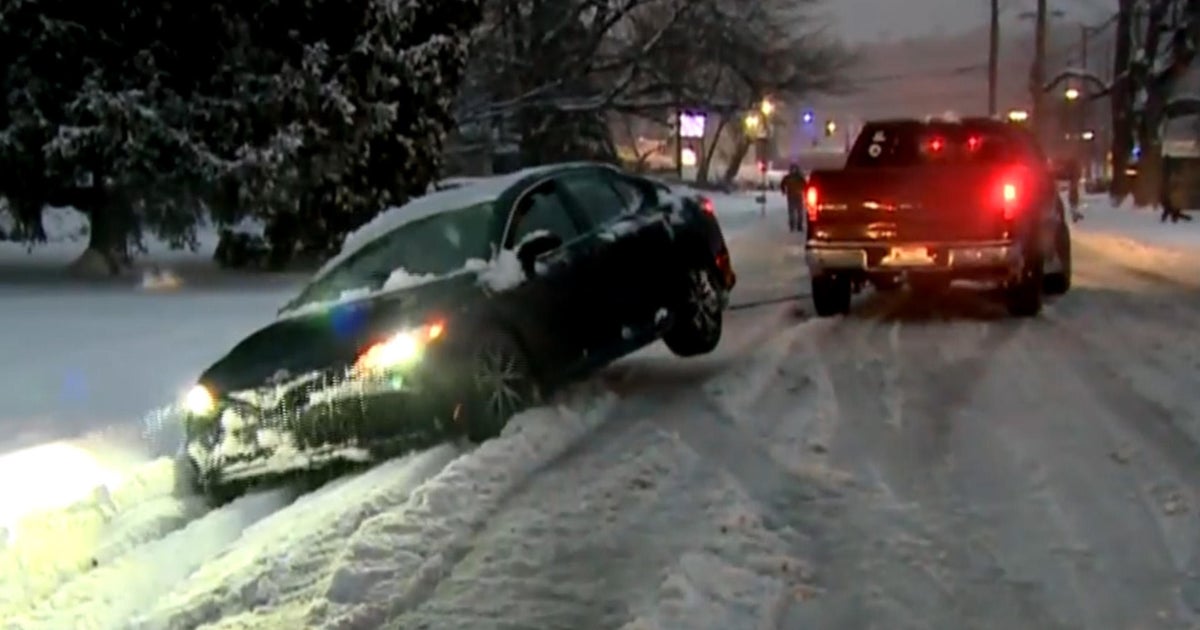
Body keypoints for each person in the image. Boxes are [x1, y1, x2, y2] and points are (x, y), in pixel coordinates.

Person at [780, 163, 806, 232]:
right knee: (798, 212)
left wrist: (783, 191)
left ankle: (794, 226)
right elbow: (805, 185)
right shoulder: (800, 177)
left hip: (792, 196)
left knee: (793, 212)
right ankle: (798, 226)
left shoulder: (788, 177)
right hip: (796, 195)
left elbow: (782, 184)